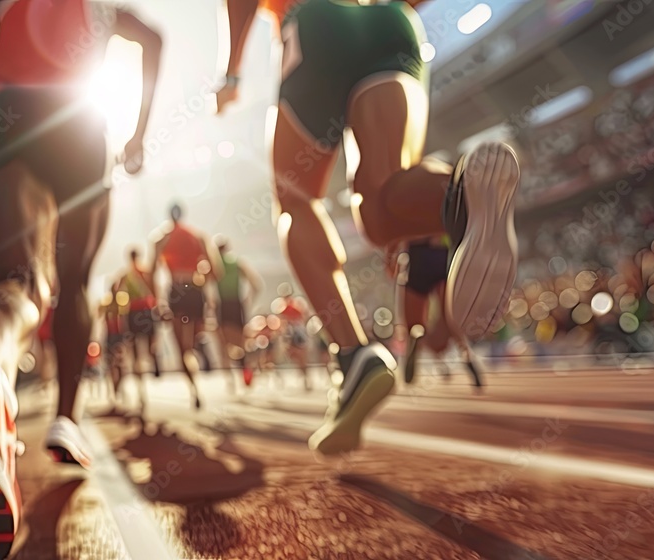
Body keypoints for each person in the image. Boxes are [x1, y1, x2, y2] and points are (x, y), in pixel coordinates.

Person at [214, 0, 520, 455]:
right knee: (378, 207)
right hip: (392, 22)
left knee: (295, 203)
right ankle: (458, 196)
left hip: (317, 24)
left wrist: (232, 72)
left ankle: (354, 354)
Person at [0, 1, 162, 556]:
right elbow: (153, 39)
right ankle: (67, 420)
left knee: (19, 282)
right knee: (72, 283)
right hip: (82, 123)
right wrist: (139, 132)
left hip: (11, 118)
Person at [150, 203, 223, 409]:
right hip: (194, 291)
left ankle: (194, 389)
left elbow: (151, 273)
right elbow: (216, 273)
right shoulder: (198, 237)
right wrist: (199, 274)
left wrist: (159, 302)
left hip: (177, 293)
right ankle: (199, 343)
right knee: (190, 340)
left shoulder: (161, 239)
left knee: (181, 347)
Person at [394, 237, 483, 391]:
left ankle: (416, 344)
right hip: (442, 257)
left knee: (414, 325)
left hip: (417, 257)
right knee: (451, 320)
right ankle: (467, 357)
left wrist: (393, 251)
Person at [212, 235, 261, 389]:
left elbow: (203, 284)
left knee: (224, 344)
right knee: (241, 343)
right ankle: (245, 372)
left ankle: (230, 379)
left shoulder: (214, 265)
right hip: (236, 305)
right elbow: (256, 284)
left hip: (224, 306)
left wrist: (210, 305)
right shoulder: (237, 263)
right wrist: (248, 300)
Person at [115, 247, 161, 379]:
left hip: (134, 311)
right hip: (145, 309)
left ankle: (138, 366)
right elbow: (154, 289)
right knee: (149, 339)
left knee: (136, 341)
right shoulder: (144, 272)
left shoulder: (126, 275)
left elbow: (119, 293)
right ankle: (153, 361)